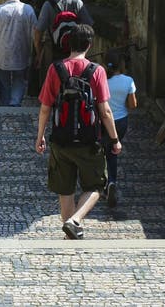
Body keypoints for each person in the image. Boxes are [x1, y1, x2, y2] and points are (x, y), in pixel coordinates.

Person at [36, 24, 122, 240]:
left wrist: (40, 136)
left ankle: (69, 233)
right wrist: (114, 139)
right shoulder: (97, 71)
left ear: (68, 43)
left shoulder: (55, 69)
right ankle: (74, 221)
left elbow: (45, 106)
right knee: (96, 186)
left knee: (65, 190)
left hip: (60, 139)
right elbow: (105, 111)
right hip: (89, 140)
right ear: (90, 44)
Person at [34, 0, 93, 78]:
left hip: (51, 51)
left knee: (51, 81)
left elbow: (38, 32)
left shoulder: (48, 6)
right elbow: (89, 28)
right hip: (74, 51)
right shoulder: (78, 3)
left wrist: (39, 53)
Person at [102, 50, 137, 209]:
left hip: (103, 121)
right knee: (113, 152)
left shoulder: (100, 80)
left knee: (102, 151)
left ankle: (104, 182)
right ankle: (112, 182)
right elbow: (132, 105)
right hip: (121, 122)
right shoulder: (128, 81)